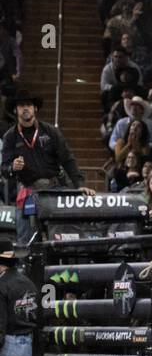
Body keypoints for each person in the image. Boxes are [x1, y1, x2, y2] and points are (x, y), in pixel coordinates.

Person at [0, 90, 91, 246]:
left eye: (29, 105)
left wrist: (80, 185)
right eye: (21, 105)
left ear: (35, 108)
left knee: (64, 237)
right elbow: (4, 169)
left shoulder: (50, 132)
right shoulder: (10, 137)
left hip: (54, 190)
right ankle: (26, 268)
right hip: (28, 192)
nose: (25, 108)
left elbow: (68, 159)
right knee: (25, 242)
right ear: (16, 110)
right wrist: (12, 168)